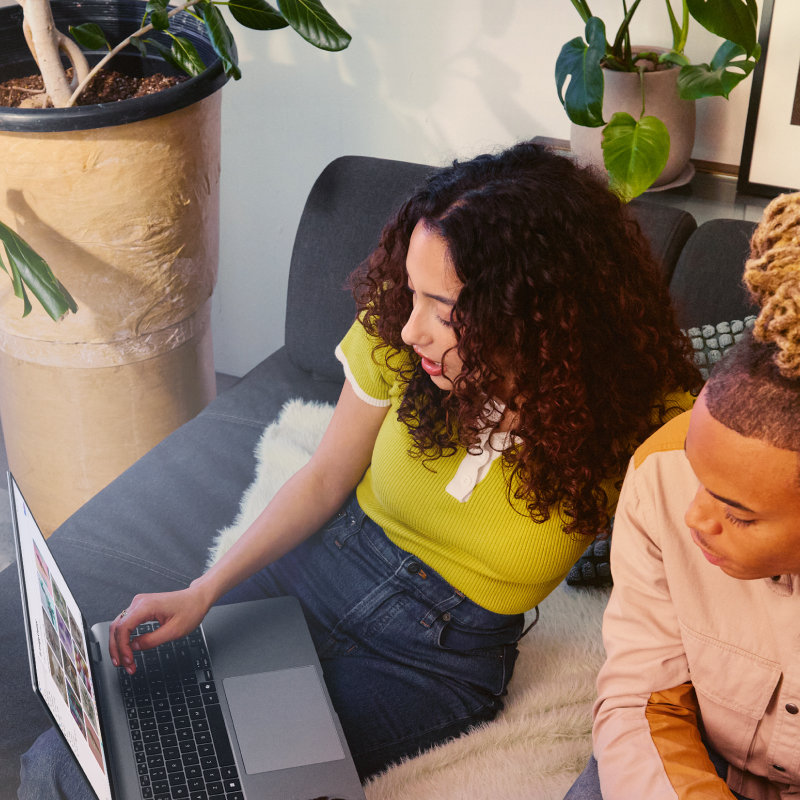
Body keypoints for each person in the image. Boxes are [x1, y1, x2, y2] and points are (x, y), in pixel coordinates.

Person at [17, 141, 700, 796]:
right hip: (316, 573)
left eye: (444, 306)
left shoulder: (644, 420)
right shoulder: (402, 335)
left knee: (202, 781)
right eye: (412, 291)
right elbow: (321, 478)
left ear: (536, 312)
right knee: (70, 757)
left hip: (432, 662)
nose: (411, 329)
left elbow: (696, 576)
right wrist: (204, 589)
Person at [565, 191, 800, 800]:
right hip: (686, 765)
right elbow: (642, 695)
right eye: (699, 479)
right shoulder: (660, 473)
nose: (693, 519)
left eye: (740, 516)